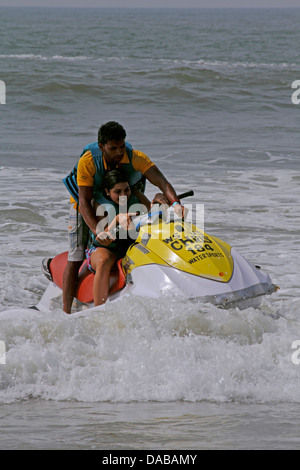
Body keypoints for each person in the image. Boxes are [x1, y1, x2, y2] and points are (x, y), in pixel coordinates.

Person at [62, 121, 184, 314]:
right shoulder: (88, 161)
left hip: (121, 203)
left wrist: (174, 203)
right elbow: (85, 201)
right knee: (75, 254)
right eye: (113, 148)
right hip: (85, 202)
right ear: (102, 147)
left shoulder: (135, 158)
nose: (119, 152)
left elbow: (161, 181)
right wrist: (98, 231)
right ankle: (66, 311)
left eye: (121, 146)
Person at [86, 169, 150, 306]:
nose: (123, 195)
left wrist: (158, 197)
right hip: (105, 248)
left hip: (130, 246)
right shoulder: (100, 204)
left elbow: (153, 214)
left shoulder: (136, 196)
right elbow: (102, 237)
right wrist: (116, 219)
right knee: (104, 260)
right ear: (107, 191)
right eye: (117, 192)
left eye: (126, 190)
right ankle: (99, 309)